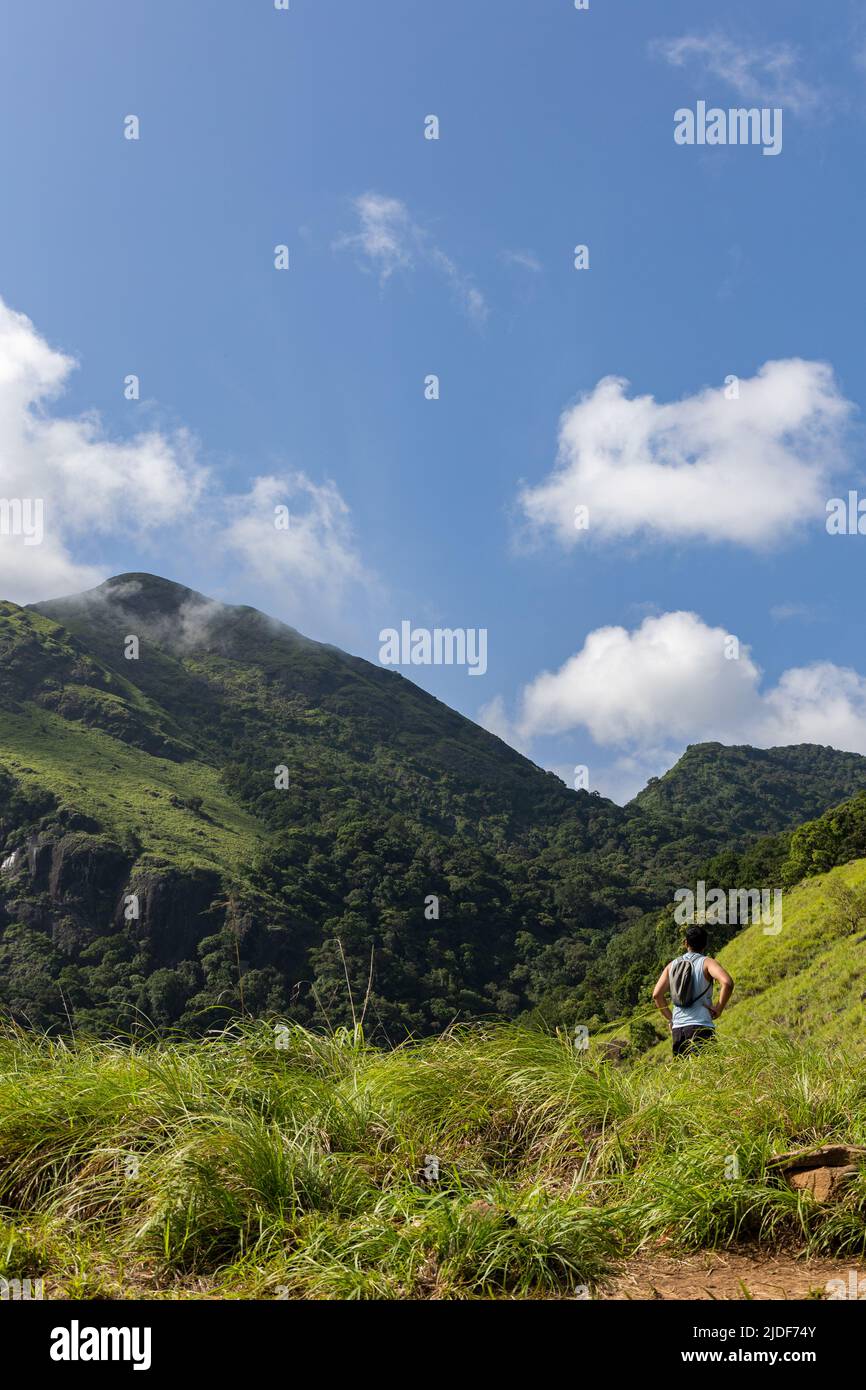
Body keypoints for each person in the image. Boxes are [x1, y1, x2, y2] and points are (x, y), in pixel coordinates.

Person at [651, 924, 734, 1056]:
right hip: (701, 1027)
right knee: (709, 1073)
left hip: (678, 1031)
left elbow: (657, 995)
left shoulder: (672, 965)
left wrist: (671, 1019)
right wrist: (719, 1008)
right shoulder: (707, 963)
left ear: (685, 943)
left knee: (684, 1074)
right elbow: (727, 983)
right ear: (705, 944)